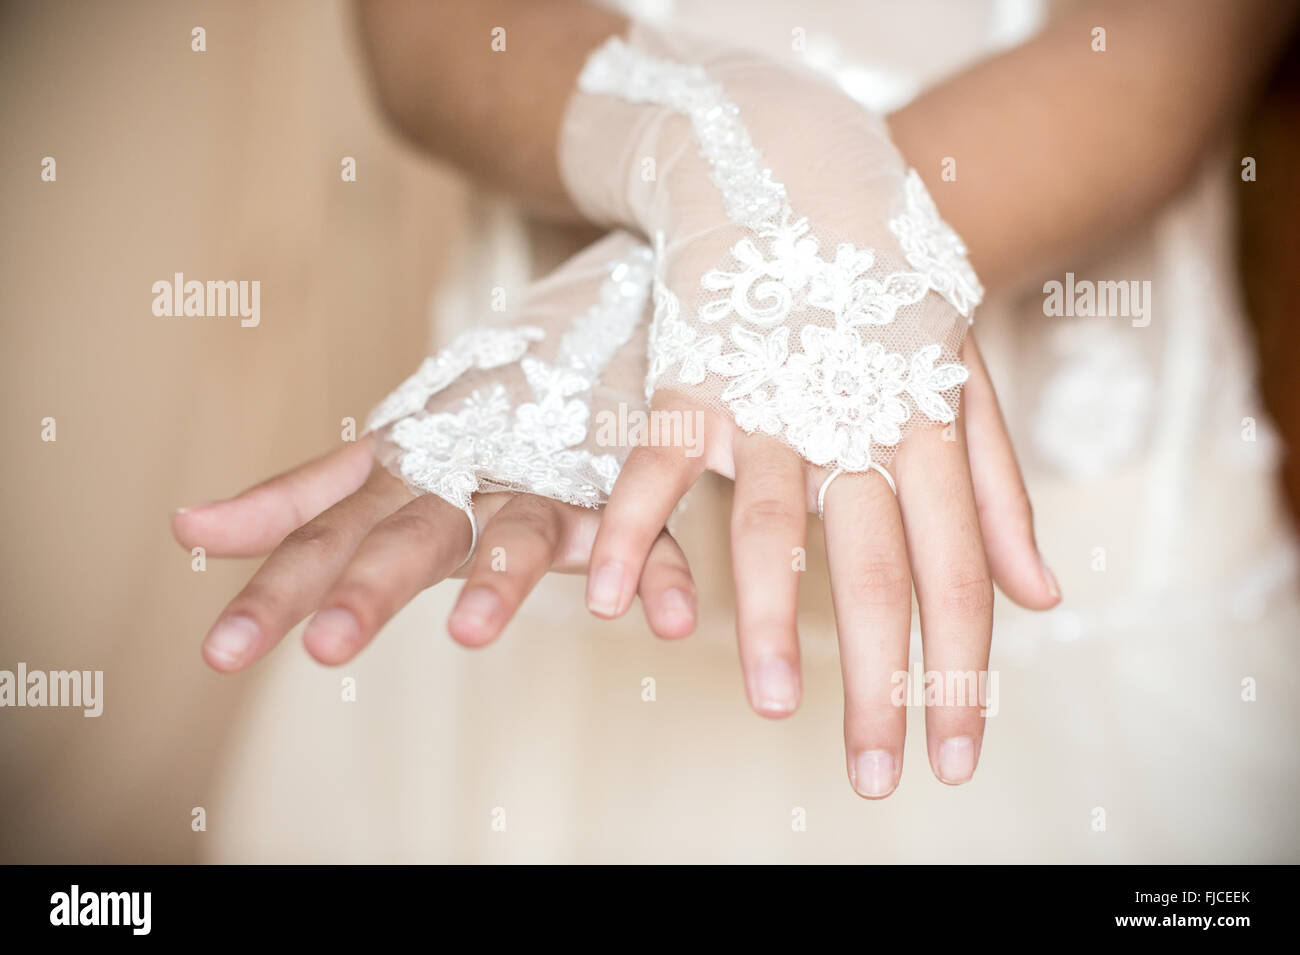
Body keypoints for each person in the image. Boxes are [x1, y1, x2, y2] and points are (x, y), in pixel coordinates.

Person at [175, 0, 1300, 862]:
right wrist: (698, 133)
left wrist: (650, 313)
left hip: (1095, 604)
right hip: (525, 540)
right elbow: (427, 29)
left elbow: (1159, 54)